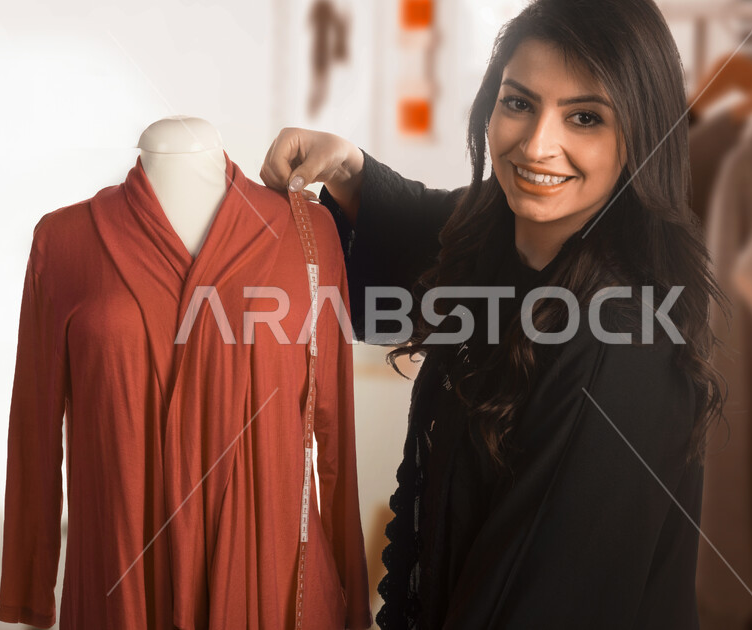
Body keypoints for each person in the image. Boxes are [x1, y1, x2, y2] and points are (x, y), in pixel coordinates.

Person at [260, 0, 727, 626]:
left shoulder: (621, 343)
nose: (537, 145)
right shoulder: (502, 235)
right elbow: (435, 228)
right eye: (519, 103)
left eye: (584, 117)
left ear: (641, 137)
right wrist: (350, 171)